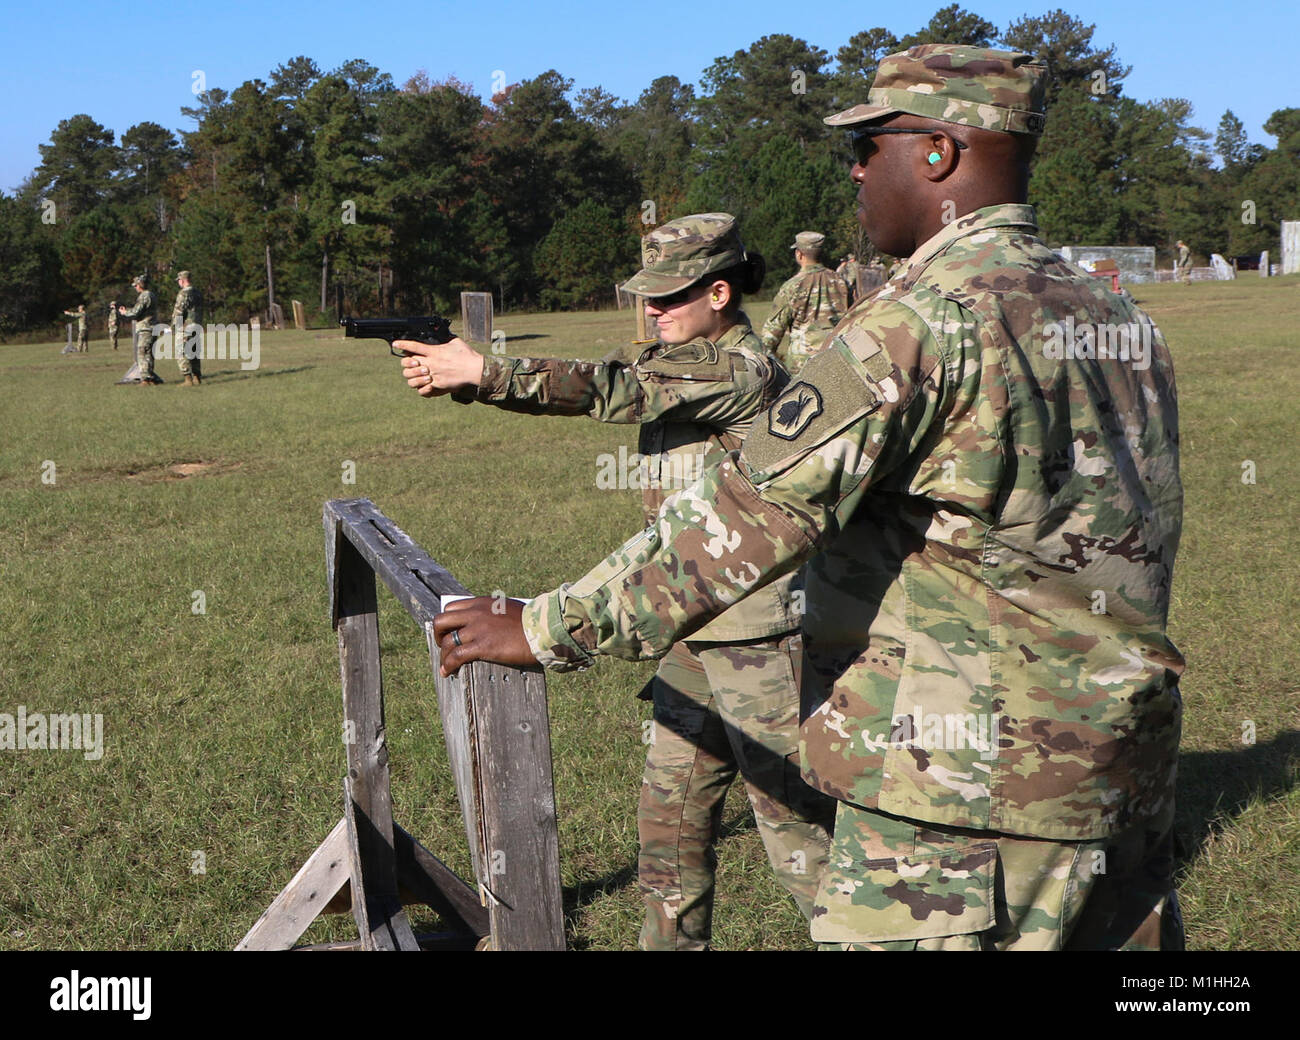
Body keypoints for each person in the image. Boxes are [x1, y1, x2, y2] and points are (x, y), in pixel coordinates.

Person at [429, 44, 1186, 952]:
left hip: (959, 798)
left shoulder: (924, 319)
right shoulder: (1114, 313)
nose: (856, 172)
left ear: (938, 155)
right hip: (1118, 777)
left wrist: (547, 626)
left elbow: (751, 512)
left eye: (867, 146)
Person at [397, 214, 834, 950]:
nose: (652, 311)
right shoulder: (690, 358)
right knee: (668, 839)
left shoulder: (737, 369)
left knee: (807, 847)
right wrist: (472, 383)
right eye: (646, 296)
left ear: (720, 292)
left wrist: (484, 371)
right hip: (688, 632)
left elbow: (614, 389)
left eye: (669, 297)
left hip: (760, 646)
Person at [760, 231, 850, 374]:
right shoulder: (841, 281)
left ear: (799, 254)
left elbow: (771, 335)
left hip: (802, 368)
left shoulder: (793, 286)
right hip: (837, 362)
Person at [119, 275, 159, 384]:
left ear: (140, 285)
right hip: (153, 327)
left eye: (136, 285)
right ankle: (150, 376)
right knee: (149, 353)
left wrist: (125, 312)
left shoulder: (144, 296)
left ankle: (145, 379)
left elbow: (136, 312)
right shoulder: (152, 295)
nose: (135, 287)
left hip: (146, 328)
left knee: (142, 352)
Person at [172, 270, 204, 386]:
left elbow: (179, 312)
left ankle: (187, 379)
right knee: (194, 352)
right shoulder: (198, 293)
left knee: (181, 352)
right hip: (197, 325)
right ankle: (197, 377)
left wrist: (174, 327)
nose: (178, 283)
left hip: (185, 327)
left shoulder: (183, 294)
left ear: (183, 280)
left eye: (179, 280)